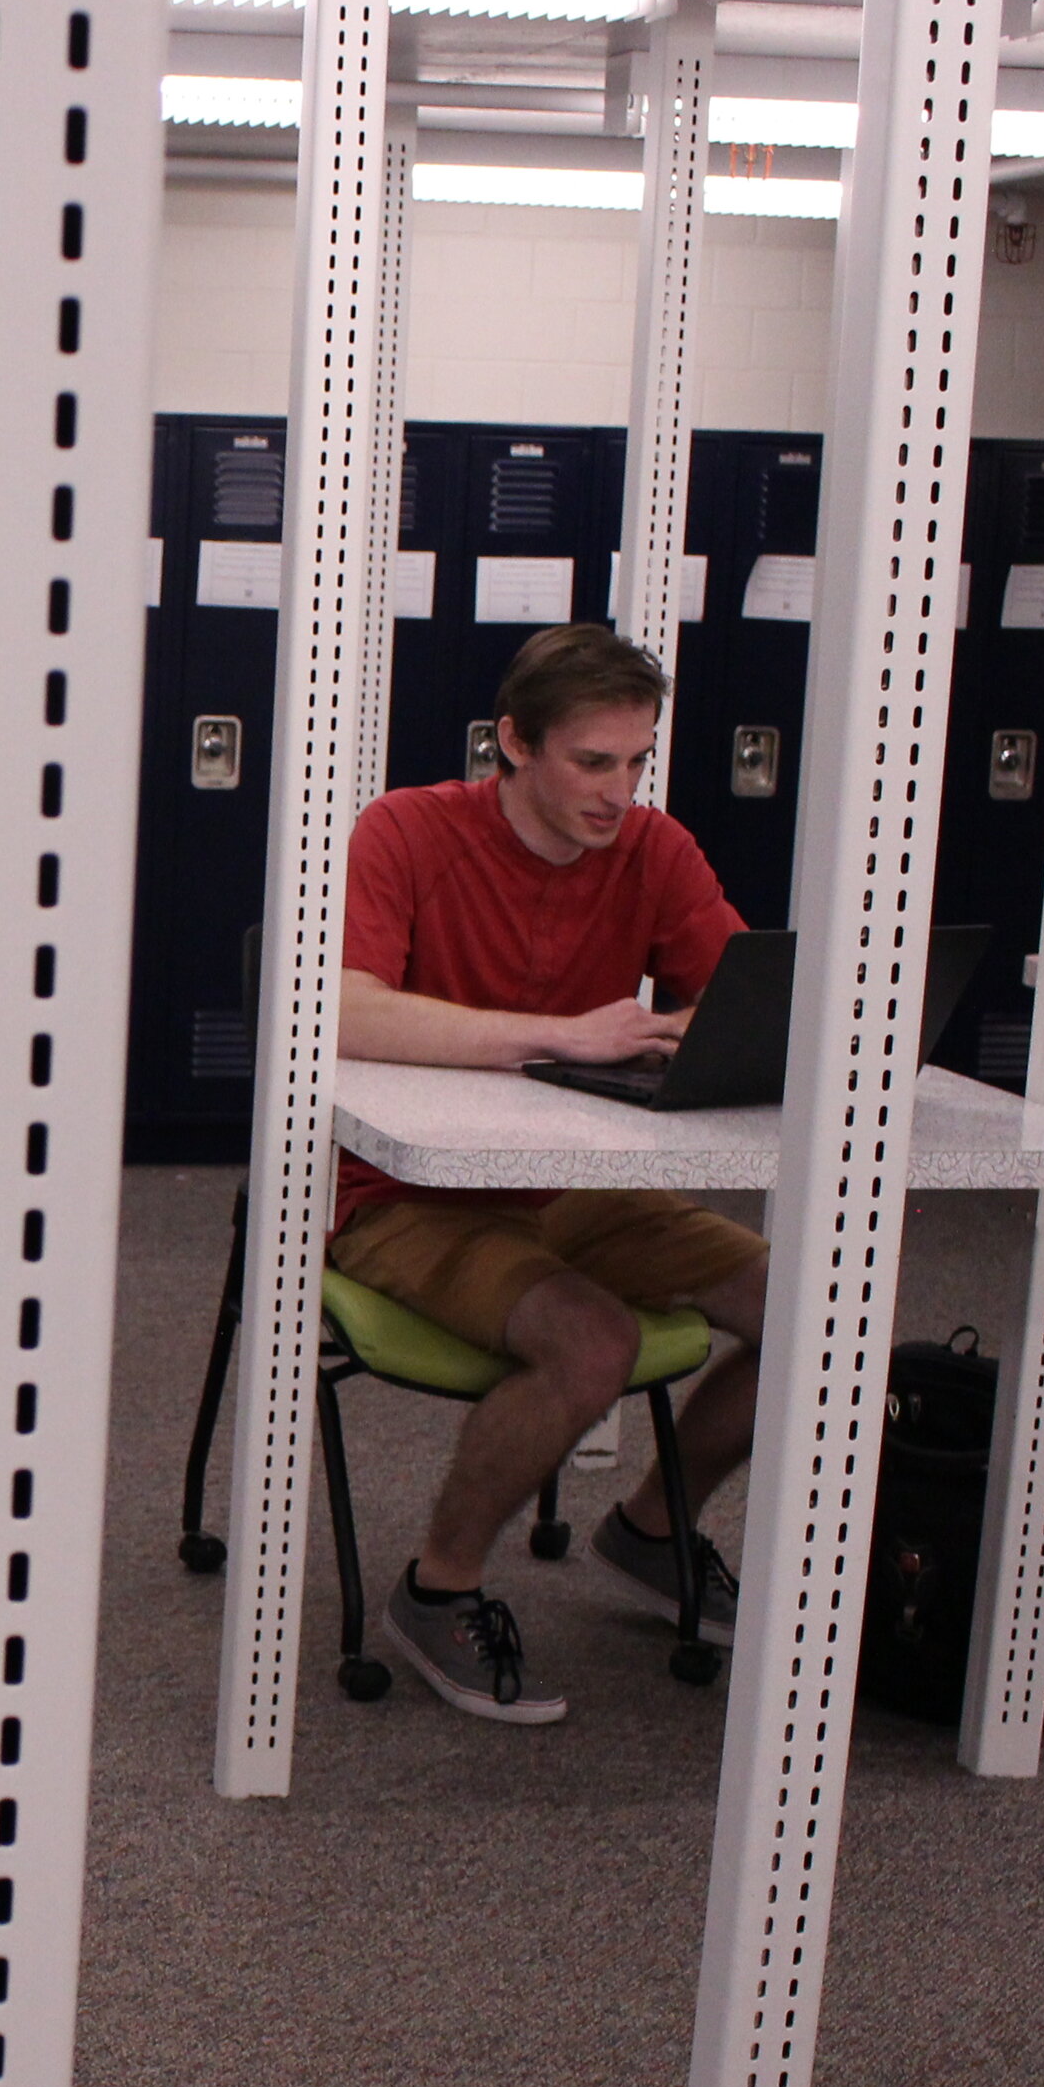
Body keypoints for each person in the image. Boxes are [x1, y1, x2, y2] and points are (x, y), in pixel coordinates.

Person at [329, 622, 765, 1728]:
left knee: (823, 1303)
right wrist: (556, 1035)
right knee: (592, 1339)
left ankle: (653, 1533)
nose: (620, 792)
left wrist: (693, 1033)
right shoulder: (407, 829)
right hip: (401, 1193)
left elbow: (746, 992)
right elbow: (345, 1007)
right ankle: (440, 1588)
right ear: (513, 743)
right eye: (592, 762)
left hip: (569, 1183)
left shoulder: (653, 850)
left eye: (637, 761)